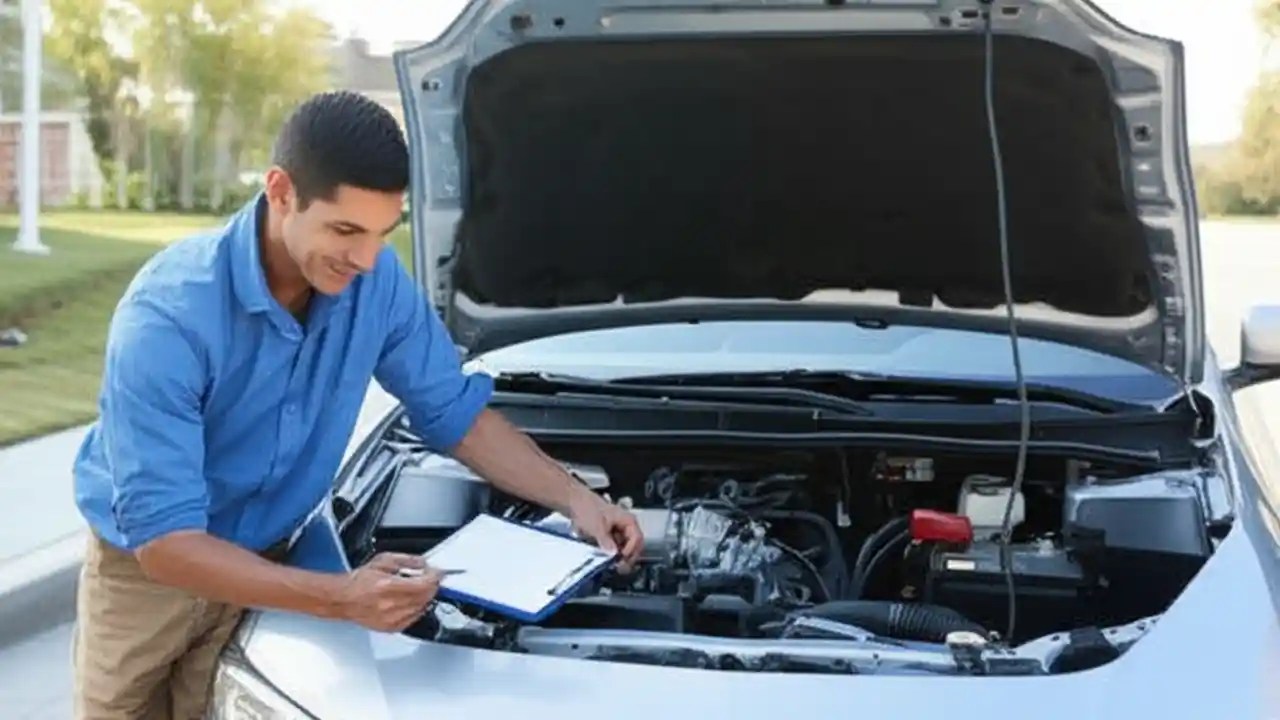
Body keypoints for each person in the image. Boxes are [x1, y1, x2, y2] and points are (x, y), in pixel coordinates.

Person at [69, 90, 644, 720]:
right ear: (281, 192)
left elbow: (456, 414)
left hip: (274, 560)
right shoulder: (168, 317)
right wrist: (340, 597)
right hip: (147, 581)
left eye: (381, 233)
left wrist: (576, 500)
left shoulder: (375, 283)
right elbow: (167, 542)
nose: (366, 259)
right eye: (345, 230)